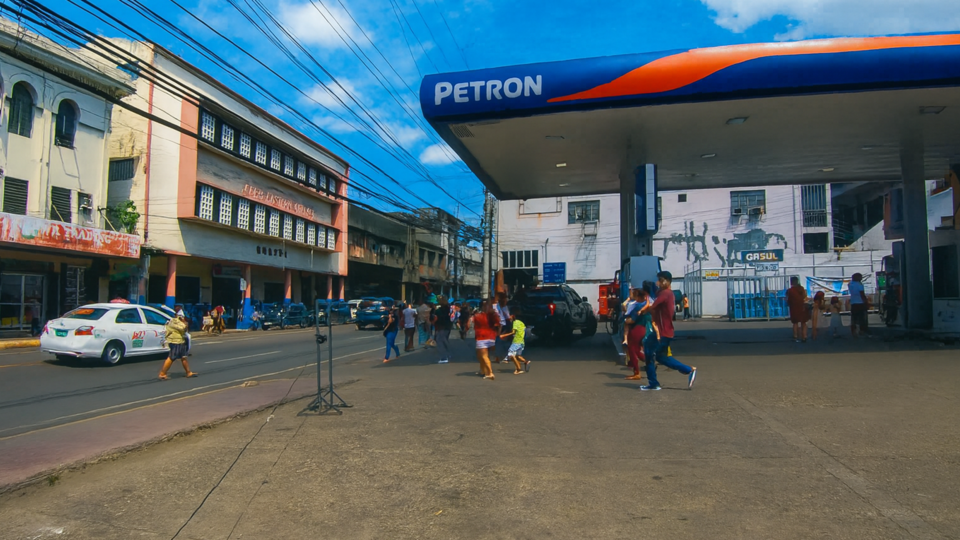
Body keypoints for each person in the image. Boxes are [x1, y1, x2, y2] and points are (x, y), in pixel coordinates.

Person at [639, 271, 697, 391]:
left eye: (660, 280)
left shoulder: (665, 293)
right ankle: (688, 370)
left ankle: (653, 383)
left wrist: (641, 311)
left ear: (667, 281)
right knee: (660, 356)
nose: (658, 282)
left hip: (662, 332)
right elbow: (655, 293)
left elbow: (653, 306)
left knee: (649, 353)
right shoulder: (665, 293)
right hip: (665, 332)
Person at [622, 288, 651, 381]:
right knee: (637, 349)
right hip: (642, 328)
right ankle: (649, 362)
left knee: (632, 349)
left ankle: (637, 372)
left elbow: (632, 319)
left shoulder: (637, 306)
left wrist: (626, 320)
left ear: (638, 296)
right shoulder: (644, 305)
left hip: (636, 328)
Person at [159, 309, 196, 380]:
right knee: (171, 357)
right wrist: (184, 323)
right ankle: (162, 373)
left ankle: (188, 372)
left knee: (183, 357)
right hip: (175, 342)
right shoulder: (174, 322)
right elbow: (183, 328)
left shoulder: (179, 322)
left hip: (181, 341)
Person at [472, 298, 500, 380]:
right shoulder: (493, 315)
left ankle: (490, 372)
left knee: (483, 356)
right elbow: (498, 324)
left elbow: (471, 324)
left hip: (481, 337)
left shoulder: (477, 316)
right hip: (491, 337)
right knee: (481, 355)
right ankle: (483, 370)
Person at [499, 307, 529, 374]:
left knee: (511, 355)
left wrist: (503, 335)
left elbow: (513, 332)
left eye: (509, 315)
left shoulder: (515, 322)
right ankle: (526, 362)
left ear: (513, 315)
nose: (509, 317)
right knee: (517, 356)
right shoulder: (521, 323)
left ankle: (518, 369)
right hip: (521, 342)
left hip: (516, 341)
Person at [786, 277, 808, 343]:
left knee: (795, 323)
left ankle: (795, 336)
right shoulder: (801, 289)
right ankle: (804, 336)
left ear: (791, 282)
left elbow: (788, 299)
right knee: (803, 322)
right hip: (802, 307)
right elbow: (804, 297)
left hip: (794, 308)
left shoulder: (790, 290)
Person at [849, 272, 870, 338]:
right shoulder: (859, 284)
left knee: (854, 318)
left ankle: (854, 331)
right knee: (862, 318)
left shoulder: (850, 284)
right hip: (860, 303)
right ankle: (862, 330)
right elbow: (862, 294)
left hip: (853, 302)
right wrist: (866, 302)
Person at [492, 292, 510, 363]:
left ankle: (501, 357)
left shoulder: (502, 307)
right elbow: (506, 317)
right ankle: (500, 357)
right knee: (499, 341)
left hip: (503, 325)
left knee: (500, 341)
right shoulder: (496, 306)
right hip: (500, 325)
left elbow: (507, 317)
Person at [433, 296, 453, 364]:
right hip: (448, 326)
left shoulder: (438, 311)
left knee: (440, 341)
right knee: (445, 341)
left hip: (441, 327)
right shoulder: (449, 309)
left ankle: (443, 357)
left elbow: (435, 318)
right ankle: (448, 355)